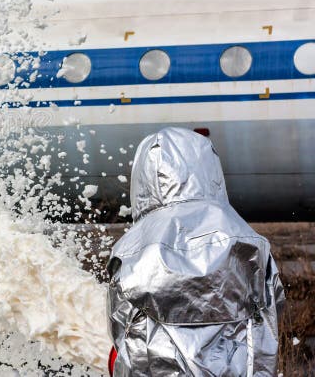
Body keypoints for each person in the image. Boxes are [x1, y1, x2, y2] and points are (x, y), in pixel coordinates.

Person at [106, 127, 284, 376]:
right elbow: (272, 314)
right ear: (210, 170)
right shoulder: (250, 241)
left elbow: (120, 331)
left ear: (145, 177)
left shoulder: (129, 250)